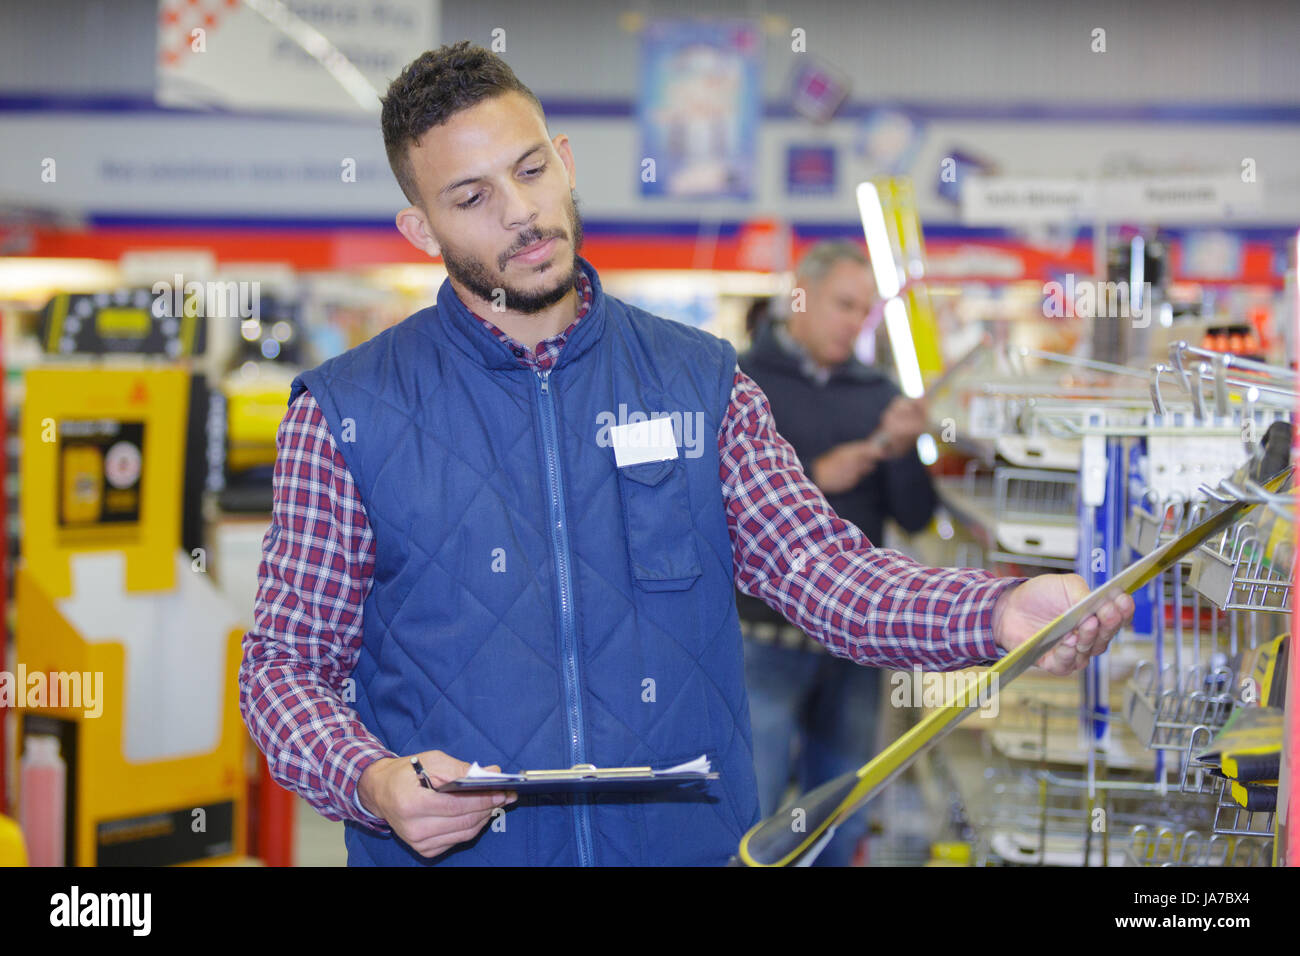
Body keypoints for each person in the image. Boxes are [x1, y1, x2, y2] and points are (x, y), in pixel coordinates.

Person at [238, 42, 1133, 867]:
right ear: (421, 230)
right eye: (472, 198)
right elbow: (282, 667)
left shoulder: (700, 380)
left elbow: (822, 572)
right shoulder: (348, 412)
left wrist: (1002, 611)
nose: (522, 214)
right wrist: (372, 781)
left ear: (566, 160)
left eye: (531, 169)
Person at [736, 240, 937, 866]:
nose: (855, 323)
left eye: (865, 312)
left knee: (842, 810)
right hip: (762, 639)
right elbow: (718, 507)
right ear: (802, 295)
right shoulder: (741, 382)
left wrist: (904, 447)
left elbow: (915, 515)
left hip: (853, 644)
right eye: (844, 305)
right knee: (757, 815)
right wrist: (815, 475)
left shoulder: (878, 394)